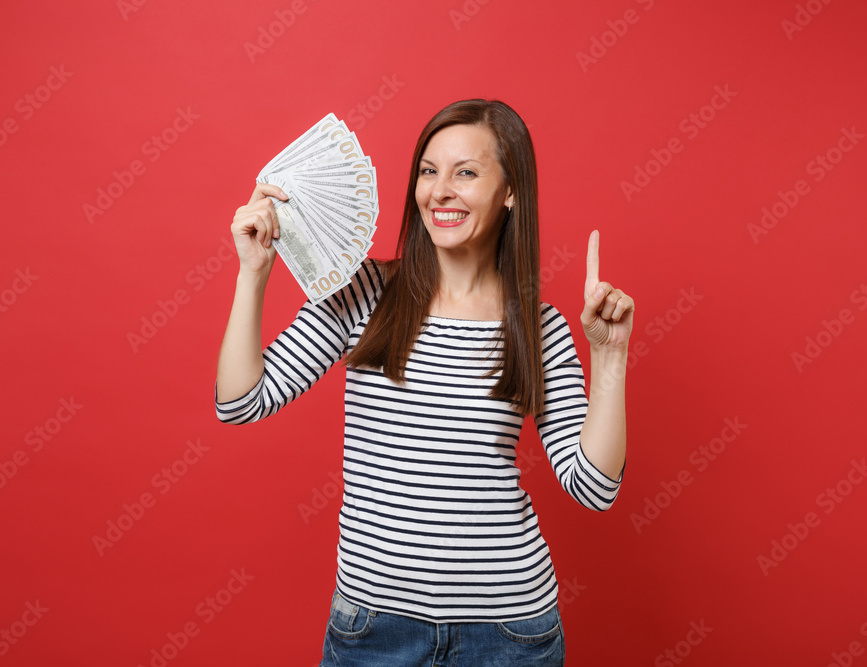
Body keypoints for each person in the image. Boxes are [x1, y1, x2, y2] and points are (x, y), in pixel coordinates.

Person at [215, 99, 633, 667]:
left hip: (508, 633)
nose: (440, 191)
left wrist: (609, 358)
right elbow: (240, 402)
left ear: (510, 191)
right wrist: (253, 273)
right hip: (374, 630)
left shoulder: (538, 327)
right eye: (429, 171)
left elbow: (593, 487)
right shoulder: (364, 293)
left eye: (466, 173)